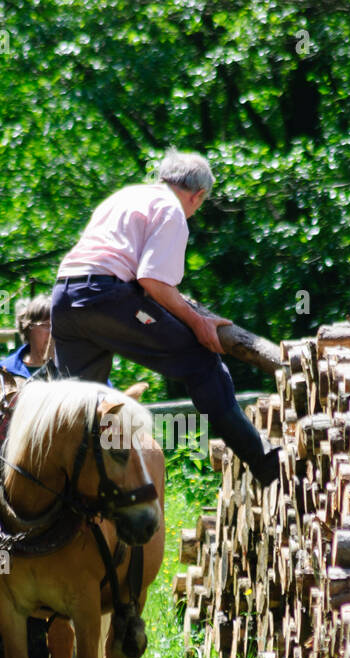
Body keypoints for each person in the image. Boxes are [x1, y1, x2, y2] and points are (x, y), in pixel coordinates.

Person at [49, 149, 280, 485]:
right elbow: (152, 281)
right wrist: (198, 322)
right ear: (198, 195)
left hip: (65, 300)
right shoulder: (171, 209)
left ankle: (61, 491)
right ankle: (265, 461)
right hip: (105, 297)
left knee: (79, 406)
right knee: (201, 361)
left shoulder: (127, 196)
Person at [0, 294, 54, 379]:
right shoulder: (7, 370)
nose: (52, 332)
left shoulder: (69, 368)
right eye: (46, 325)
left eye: (57, 326)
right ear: (28, 327)